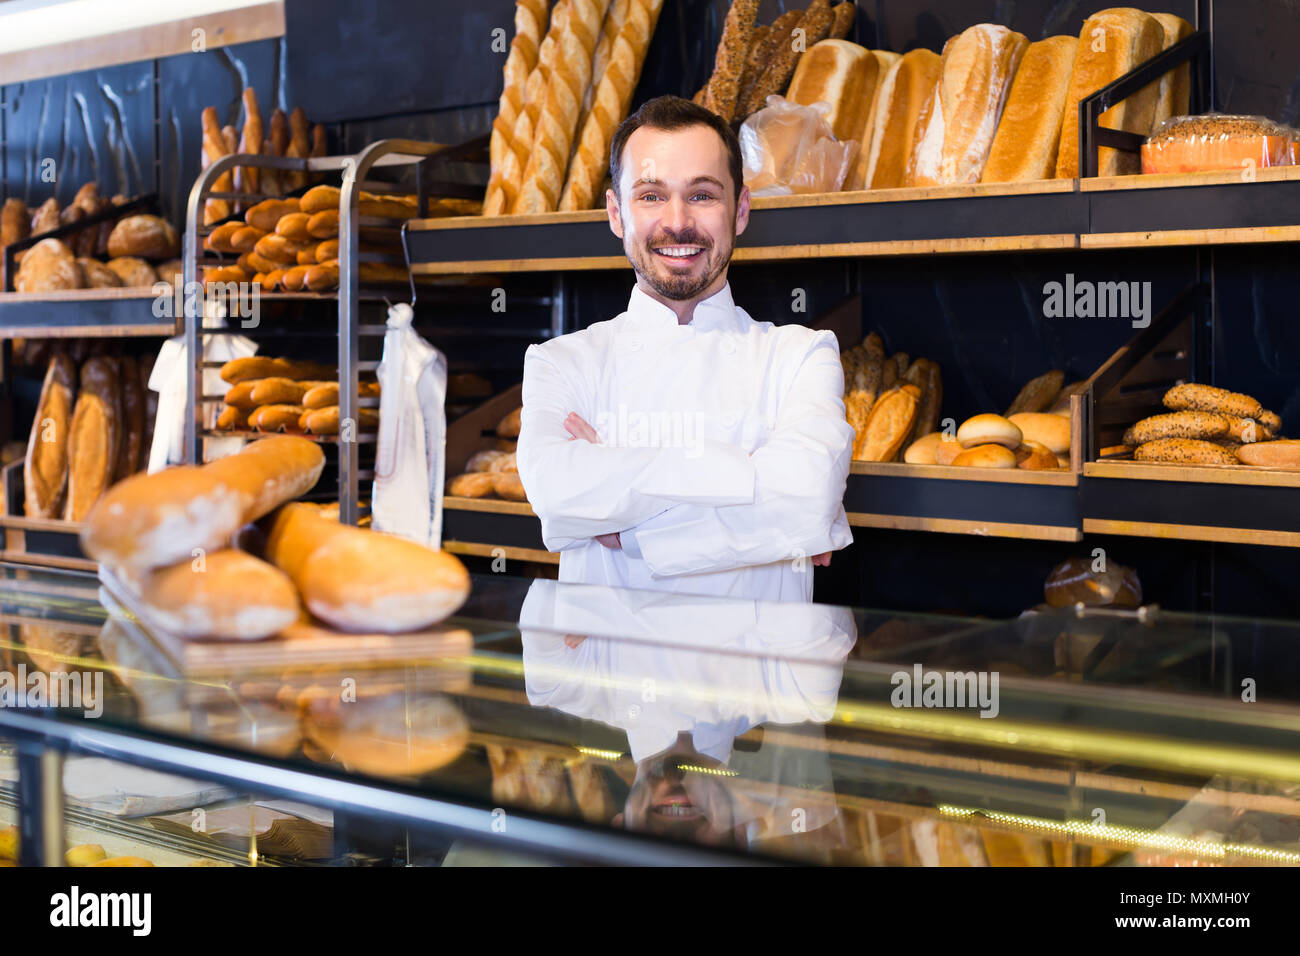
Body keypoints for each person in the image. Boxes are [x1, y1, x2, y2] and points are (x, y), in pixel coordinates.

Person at [516, 95, 854, 602]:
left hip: (753, 679)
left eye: (702, 195)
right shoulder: (561, 364)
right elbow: (557, 493)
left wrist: (623, 521)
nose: (677, 222)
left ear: (740, 211)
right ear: (616, 213)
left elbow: (805, 500)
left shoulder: (800, 356)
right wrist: (748, 476)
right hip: (614, 674)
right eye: (651, 195)